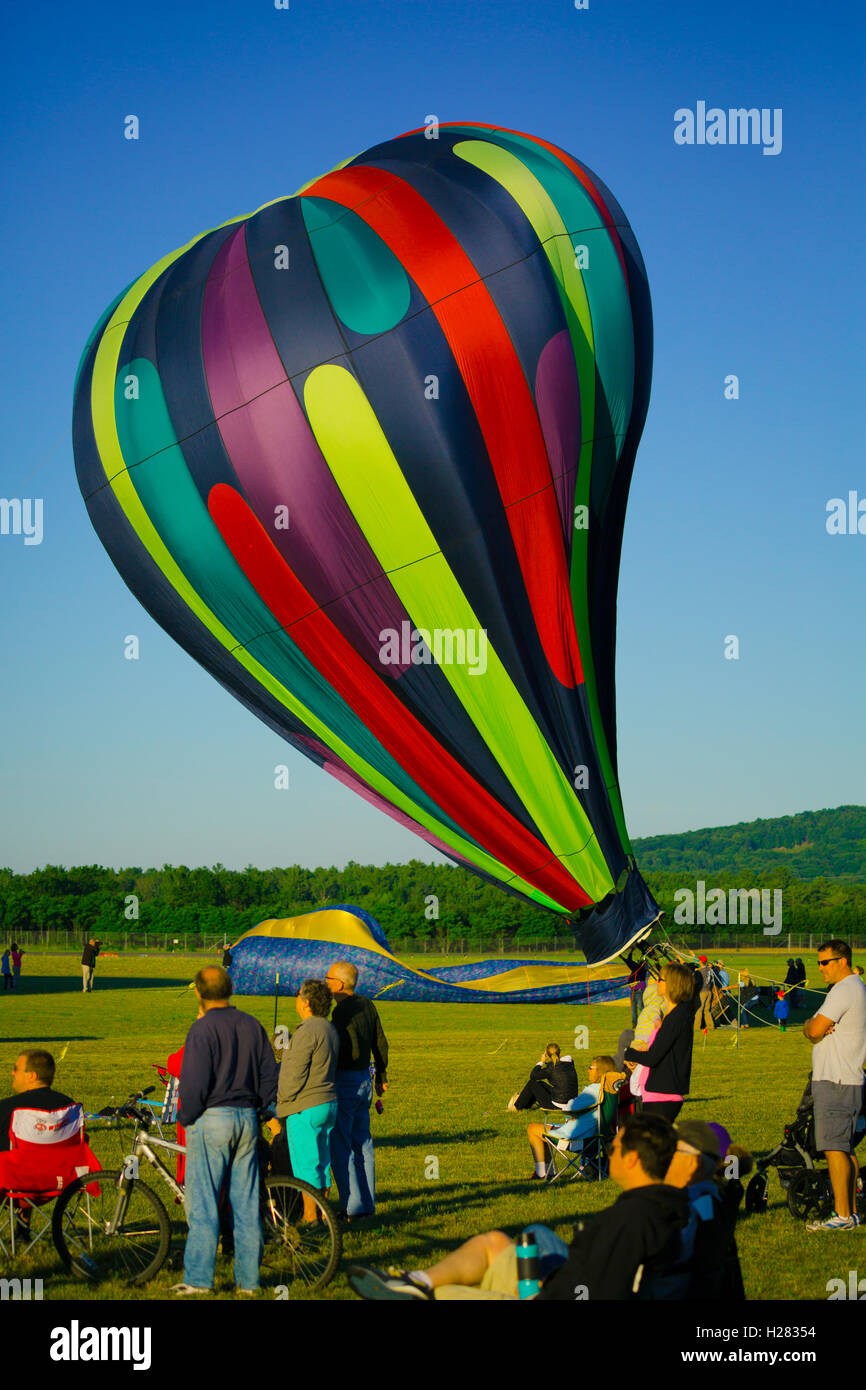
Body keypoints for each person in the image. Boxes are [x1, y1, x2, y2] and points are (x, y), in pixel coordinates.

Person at [347, 1114, 688, 1300]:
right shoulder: (668, 1205)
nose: (608, 1154)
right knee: (496, 1241)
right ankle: (415, 1280)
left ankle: (414, 1288)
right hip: (565, 1277)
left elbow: (605, 1290)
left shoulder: (629, 1220)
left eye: (613, 1150)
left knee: (447, 1293)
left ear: (631, 1159)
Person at [173, 965, 279, 1295]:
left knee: (204, 1203)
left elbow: (194, 1081)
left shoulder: (202, 1029)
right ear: (230, 989)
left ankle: (199, 1280)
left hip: (211, 1117)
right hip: (247, 1117)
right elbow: (268, 1074)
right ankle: (249, 1281)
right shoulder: (251, 1024)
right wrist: (261, 1109)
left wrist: (187, 1116)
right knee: (246, 1204)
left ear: (197, 992)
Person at [802, 940, 866, 1231]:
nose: (820, 968)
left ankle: (842, 1216)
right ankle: (851, 1212)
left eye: (825, 962)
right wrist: (815, 1025)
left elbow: (813, 1030)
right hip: (845, 1079)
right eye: (818, 962)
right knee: (844, 1147)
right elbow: (818, 1030)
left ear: (842, 961)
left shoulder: (845, 989)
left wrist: (810, 1024)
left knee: (834, 1148)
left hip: (837, 1079)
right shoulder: (853, 988)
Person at [325, 960, 389, 1219]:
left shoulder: (341, 1013)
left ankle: (352, 1206)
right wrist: (381, 1075)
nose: (325, 981)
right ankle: (368, 1205)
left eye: (327, 978)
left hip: (346, 1081)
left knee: (341, 1146)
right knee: (364, 1144)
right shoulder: (368, 1004)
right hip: (365, 1079)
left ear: (338, 984)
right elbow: (380, 1041)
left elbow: (338, 1049)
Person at [276, 978, 339, 1221]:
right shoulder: (328, 1028)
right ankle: (325, 1216)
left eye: (297, 994)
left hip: (306, 1107)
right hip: (328, 1102)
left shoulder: (306, 1032)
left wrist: (281, 1103)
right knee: (322, 1163)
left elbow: (293, 1075)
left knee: (305, 1167)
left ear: (306, 1001)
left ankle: (311, 1218)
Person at [524, 1056, 621, 1179]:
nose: (588, 1070)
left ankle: (542, 1173)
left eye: (590, 1068)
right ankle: (548, 1171)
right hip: (596, 1138)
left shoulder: (593, 1091)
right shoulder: (610, 1092)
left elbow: (569, 1108)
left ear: (599, 1071)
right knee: (543, 1129)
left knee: (533, 1129)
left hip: (577, 1139)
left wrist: (571, 1111)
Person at [623, 962, 696, 1123]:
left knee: (652, 1145)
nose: (657, 982)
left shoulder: (677, 1017)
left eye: (660, 980)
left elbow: (652, 1057)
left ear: (671, 985)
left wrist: (628, 1052)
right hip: (658, 1092)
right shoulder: (674, 1016)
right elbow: (660, 1052)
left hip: (663, 1094)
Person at [0, 1050, 75, 1151]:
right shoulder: (70, 1107)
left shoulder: (7, 1108)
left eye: (16, 1069)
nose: (12, 1073)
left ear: (32, 1076)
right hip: (60, 1165)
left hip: (17, 1165)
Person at [507, 1042, 580, 1113]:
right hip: (572, 1103)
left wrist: (541, 1061)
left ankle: (515, 1107)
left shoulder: (551, 1067)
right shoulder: (569, 1062)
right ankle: (523, 1104)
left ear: (547, 1055)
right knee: (540, 1084)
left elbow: (533, 1076)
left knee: (532, 1084)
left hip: (558, 1106)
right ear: (559, 1052)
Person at [623, 950, 648, 1029]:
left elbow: (629, 962)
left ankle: (644, 1022)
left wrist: (631, 951)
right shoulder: (638, 969)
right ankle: (635, 1024)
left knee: (641, 1008)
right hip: (633, 991)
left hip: (639, 991)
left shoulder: (640, 969)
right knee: (634, 1009)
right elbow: (629, 962)